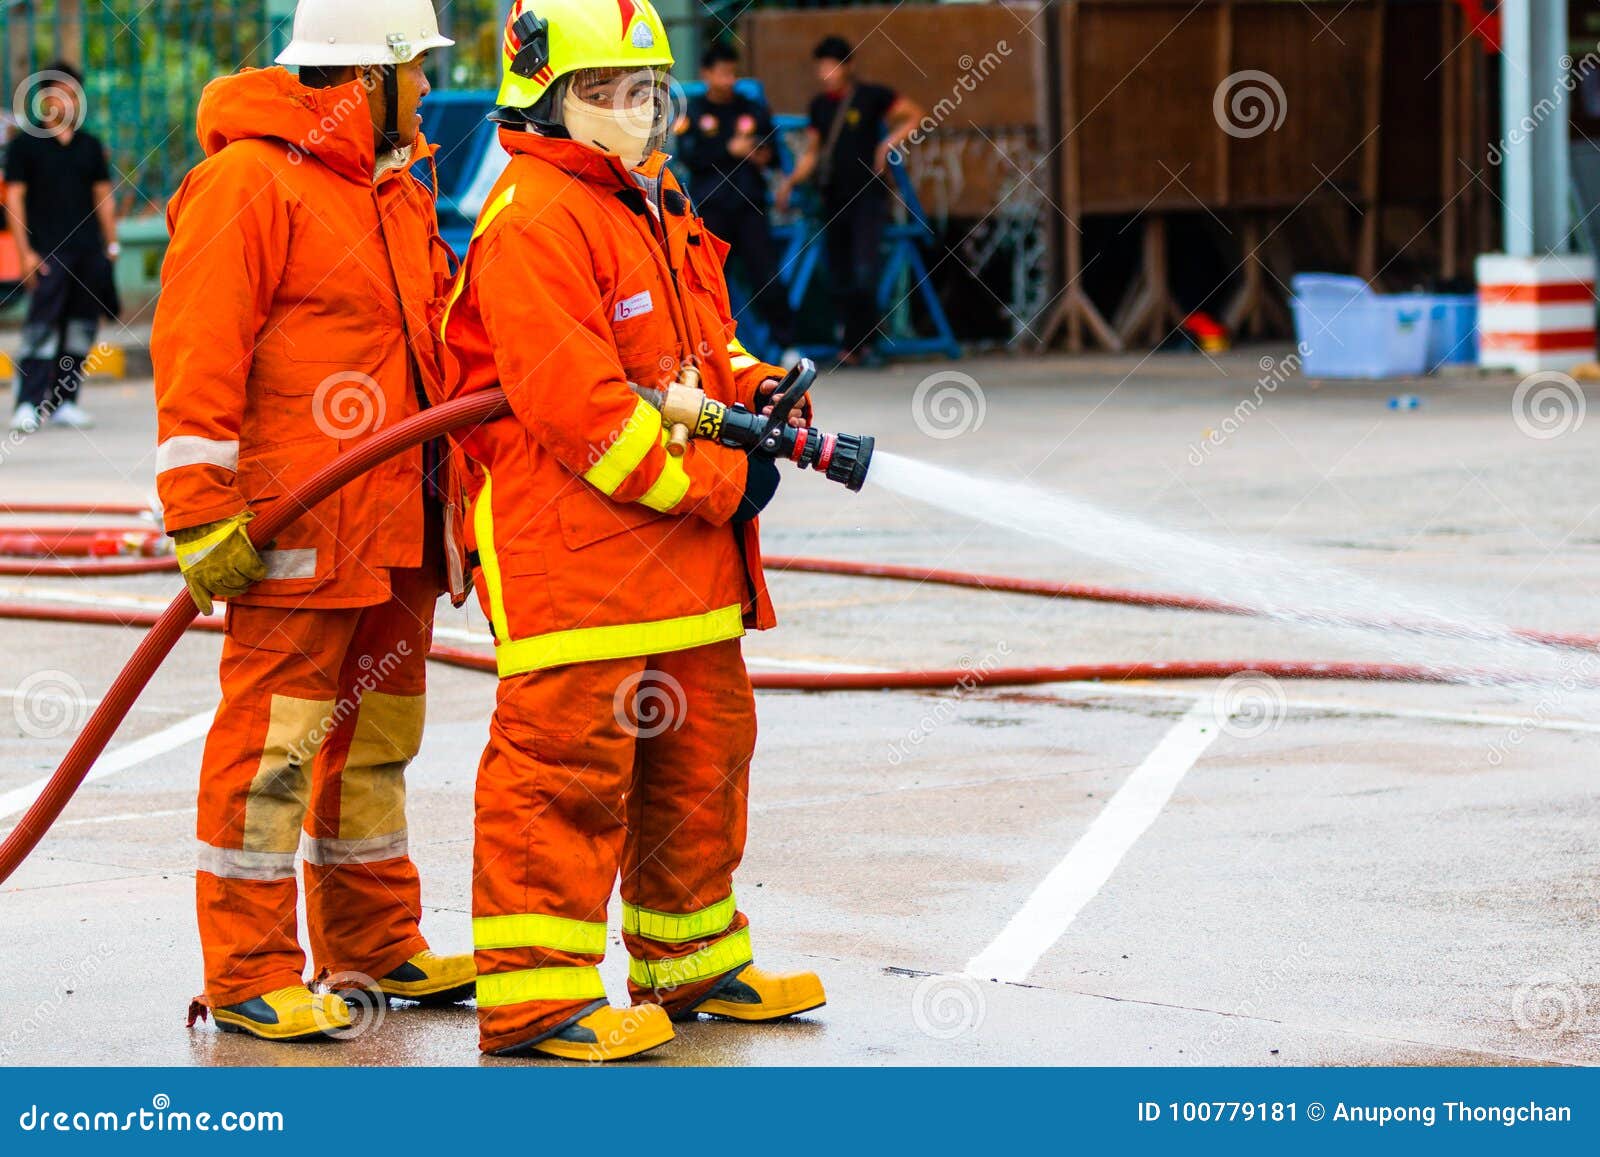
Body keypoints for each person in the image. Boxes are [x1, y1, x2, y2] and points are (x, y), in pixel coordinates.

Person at [442, 0, 826, 1062]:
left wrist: (757, 388)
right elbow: (587, 415)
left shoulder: (650, 197)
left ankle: (691, 959)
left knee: (700, 759)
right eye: (606, 90)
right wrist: (723, 480)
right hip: (579, 564)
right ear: (547, 95)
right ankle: (538, 998)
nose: (635, 109)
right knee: (562, 774)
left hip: (679, 565)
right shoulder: (533, 219)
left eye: (646, 88)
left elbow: (698, 349)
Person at [149, 0, 474, 1042]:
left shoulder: (394, 186)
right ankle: (249, 972)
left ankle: (373, 943)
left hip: (397, 525)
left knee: (374, 744)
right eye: (418, 70)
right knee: (277, 747)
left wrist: (456, 507)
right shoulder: (249, 181)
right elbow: (198, 350)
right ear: (369, 77)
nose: (430, 88)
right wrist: (201, 512)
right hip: (299, 524)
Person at [776, 36, 921, 365]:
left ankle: (863, 344)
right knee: (840, 274)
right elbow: (813, 153)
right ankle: (853, 345)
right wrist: (790, 182)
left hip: (868, 197)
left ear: (848, 66)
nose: (826, 73)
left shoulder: (871, 96)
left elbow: (914, 115)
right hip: (833, 198)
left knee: (864, 271)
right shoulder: (819, 106)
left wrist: (887, 144)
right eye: (822, 67)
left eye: (832, 66)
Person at [4, 63, 119, 433]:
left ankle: (64, 402)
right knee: (42, 327)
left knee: (80, 328)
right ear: (44, 98)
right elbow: (14, 200)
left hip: (88, 251)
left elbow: (103, 197)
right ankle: (27, 402)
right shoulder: (25, 146)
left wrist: (111, 245)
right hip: (46, 251)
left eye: (72, 94)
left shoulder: (90, 146)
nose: (66, 101)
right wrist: (25, 252)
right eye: (59, 93)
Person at [675, 43, 798, 361]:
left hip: (750, 207)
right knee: (711, 283)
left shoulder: (752, 108)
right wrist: (729, 150)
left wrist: (759, 154)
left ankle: (785, 346)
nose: (728, 80)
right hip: (712, 209)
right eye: (722, 73)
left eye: (732, 73)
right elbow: (689, 156)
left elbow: (772, 154)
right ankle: (712, 349)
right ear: (706, 74)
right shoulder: (694, 112)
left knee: (767, 277)